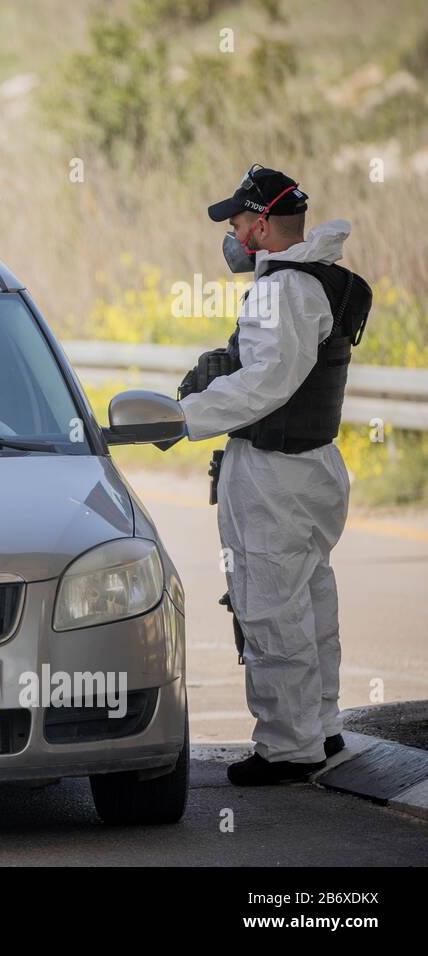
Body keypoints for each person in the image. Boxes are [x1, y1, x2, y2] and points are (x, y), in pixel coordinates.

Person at [181, 165, 360, 786]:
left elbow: (264, 384)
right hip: (314, 466)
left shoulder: (283, 290)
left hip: (274, 476)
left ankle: (288, 750)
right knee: (311, 603)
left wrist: (184, 419)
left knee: (269, 610)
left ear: (260, 223)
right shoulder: (320, 279)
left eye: (235, 220)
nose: (231, 232)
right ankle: (322, 726)